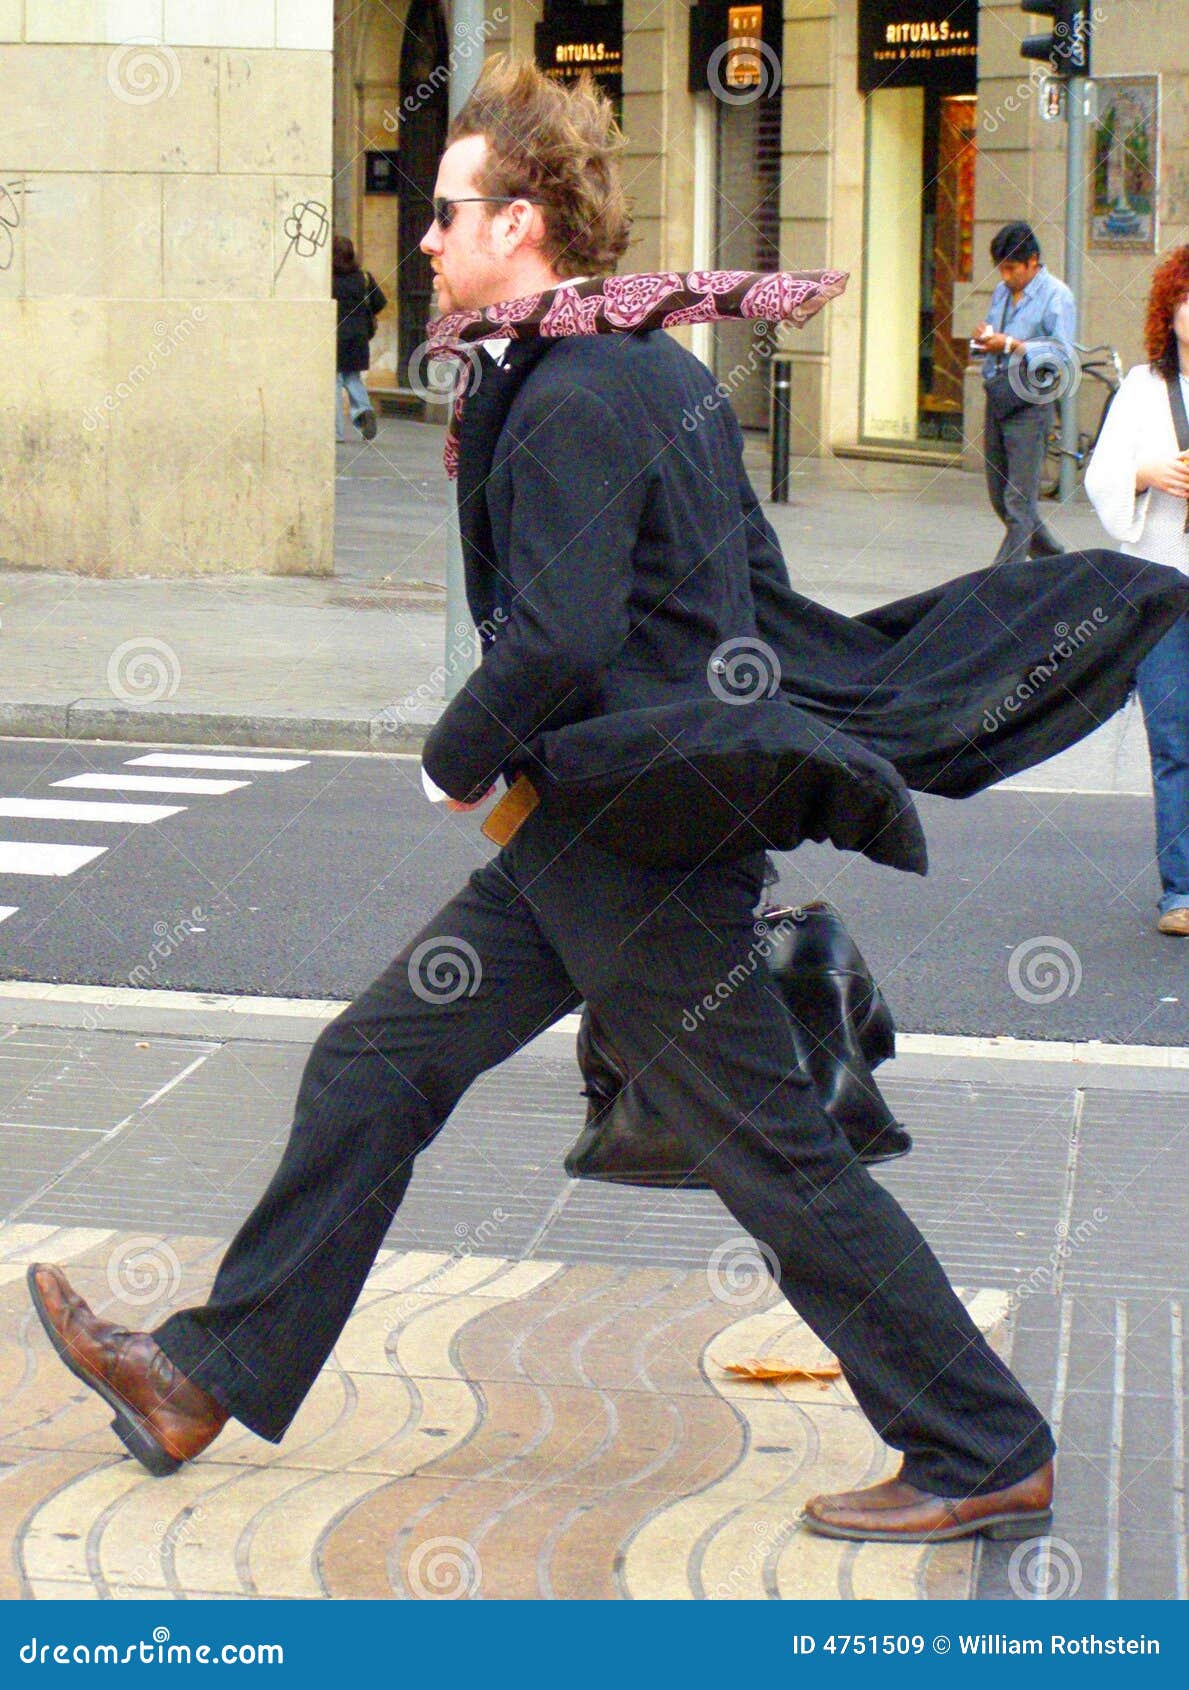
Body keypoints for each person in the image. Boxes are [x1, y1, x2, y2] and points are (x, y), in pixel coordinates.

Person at [26, 58, 1065, 1547]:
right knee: (374, 1065)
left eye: (447, 213)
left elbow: (562, 636)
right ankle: (203, 1374)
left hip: (634, 852)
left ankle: (979, 1436)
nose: (424, 239)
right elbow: (735, 599)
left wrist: (455, 751)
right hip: (592, 841)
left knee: (775, 1159)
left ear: (523, 222)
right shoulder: (646, 370)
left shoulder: (580, 388)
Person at [1085, 246, 1189, 937]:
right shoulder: (1143, 389)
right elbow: (1101, 477)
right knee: (1173, 737)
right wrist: (1146, 472)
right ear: (1170, 310)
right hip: (1160, 588)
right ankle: (1179, 893)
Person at [974, 222, 1076, 568]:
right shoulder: (1003, 292)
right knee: (1000, 496)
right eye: (1001, 268)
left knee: (1019, 500)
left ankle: (1001, 579)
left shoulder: (1056, 296)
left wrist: (1013, 345)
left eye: (1011, 268)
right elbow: (994, 334)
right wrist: (986, 339)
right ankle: (1054, 560)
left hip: (1030, 402)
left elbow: (1061, 355)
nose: (1005, 276)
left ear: (1032, 262)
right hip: (998, 394)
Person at [332, 234, 383, 442]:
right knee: (352, 377)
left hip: (334, 335)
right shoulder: (364, 277)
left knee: (334, 381)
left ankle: (335, 432)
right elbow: (379, 302)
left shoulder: (328, 280)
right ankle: (363, 410)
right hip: (359, 335)